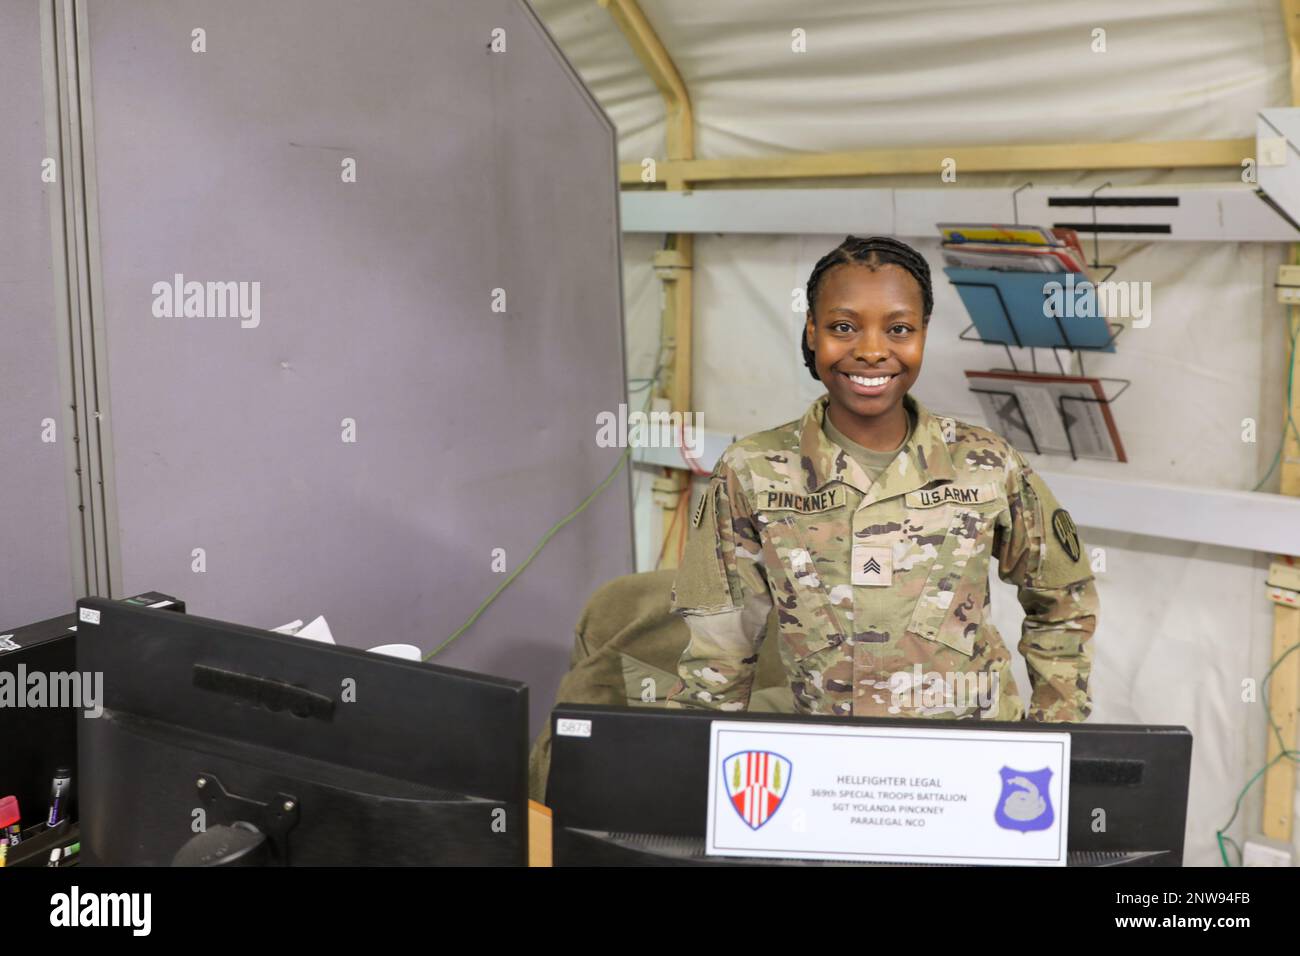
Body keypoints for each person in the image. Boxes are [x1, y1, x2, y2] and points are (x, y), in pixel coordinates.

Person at [666, 235, 1098, 721]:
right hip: (829, 755)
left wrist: (1055, 735)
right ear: (812, 332)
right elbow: (719, 650)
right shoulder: (753, 470)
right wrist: (697, 751)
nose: (872, 351)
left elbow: (1064, 599)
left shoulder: (987, 463)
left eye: (899, 329)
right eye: (843, 327)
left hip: (972, 754)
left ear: (923, 334)